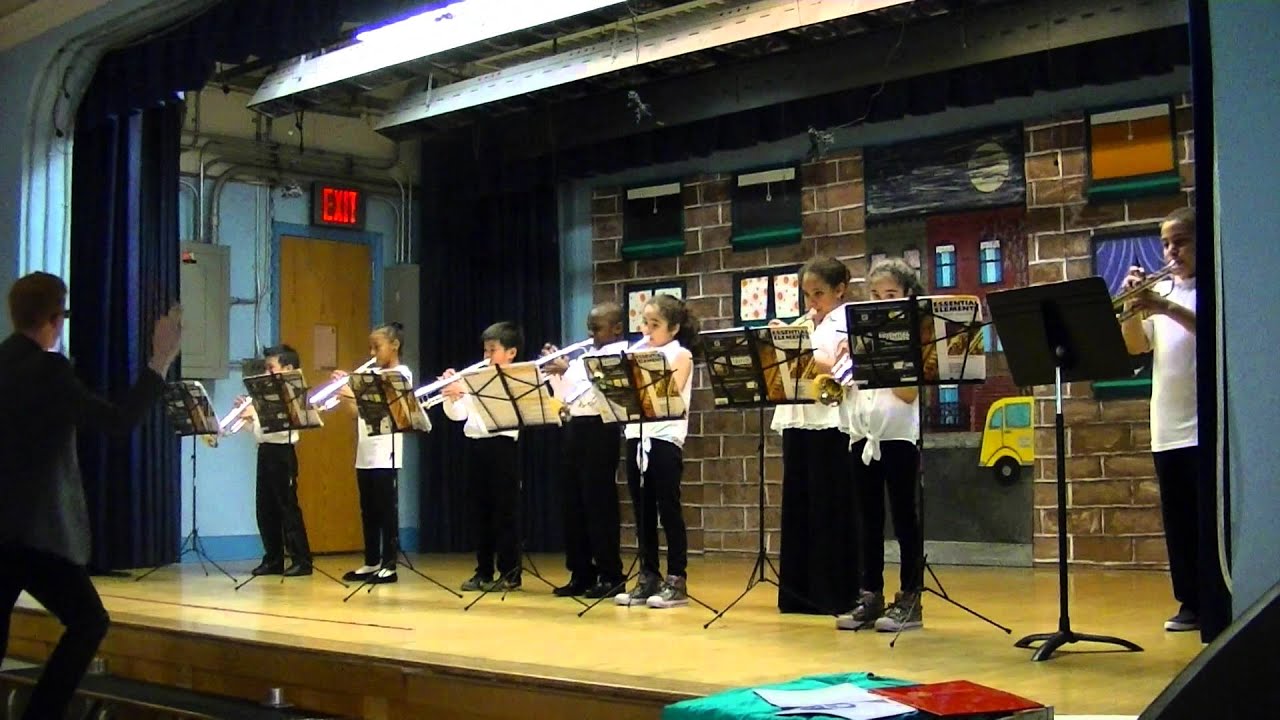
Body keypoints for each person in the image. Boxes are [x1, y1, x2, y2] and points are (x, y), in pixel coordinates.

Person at [0, 272, 182, 720]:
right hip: (33, 533)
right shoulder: (50, 371)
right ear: (54, 318)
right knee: (88, 622)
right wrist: (160, 361)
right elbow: (118, 422)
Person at [1120, 206, 1224, 637]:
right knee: (1177, 521)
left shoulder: (1209, 290)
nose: (1171, 250)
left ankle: (1216, 598)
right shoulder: (1160, 290)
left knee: (1207, 520)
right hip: (1166, 424)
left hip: (1204, 426)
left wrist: (1161, 305)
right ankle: (1189, 603)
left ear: (1199, 242)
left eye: (1179, 241)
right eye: (1165, 243)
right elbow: (1134, 349)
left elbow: (1213, 331)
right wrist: (1131, 309)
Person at [837, 257, 926, 633]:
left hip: (898, 438)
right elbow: (841, 391)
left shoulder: (913, 336)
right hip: (862, 436)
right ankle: (870, 593)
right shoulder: (858, 333)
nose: (881, 300)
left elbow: (907, 394)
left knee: (905, 518)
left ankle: (910, 598)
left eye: (890, 294)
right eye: (875, 294)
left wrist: (877, 356)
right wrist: (848, 362)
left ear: (907, 296)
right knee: (867, 520)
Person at [770, 257, 859, 615]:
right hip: (798, 416)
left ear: (840, 290)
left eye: (819, 294)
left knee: (831, 505)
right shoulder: (805, 322)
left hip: (831, 420)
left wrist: (796, 347)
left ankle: (834, 593)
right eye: (807, 294)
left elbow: (841, 366)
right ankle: (798, 593)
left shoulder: (849, 319)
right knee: (800, 504)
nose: (812, 302)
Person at [613, 294, 698, 609]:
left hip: (664, 440)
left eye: (655, 325)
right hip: (637, 436)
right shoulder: (638, 352)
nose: (647, 332)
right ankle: (648, 575)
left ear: (673, 328)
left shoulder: (680, 354)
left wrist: (639, 366)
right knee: (642, 510)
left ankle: (677, 578)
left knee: (668, 509)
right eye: (644, 324)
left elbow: (668, 394)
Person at [542, 303, 628, 599]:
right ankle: (580, 572)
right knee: (572, 504)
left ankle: (610, 574)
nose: (591, 334)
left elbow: (602, 389)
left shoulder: (621, 353)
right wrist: (557, 372)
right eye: (589, 328)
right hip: (574, 427)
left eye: (597, 328)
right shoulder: (583, 358)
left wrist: (570, 370)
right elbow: (565, 396)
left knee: (598, 504)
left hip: (601, 430)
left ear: (617, 328)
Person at [442, 322, 524, 592]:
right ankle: (483, 570)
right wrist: (451, 396)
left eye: (493, 350)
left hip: (502, 446)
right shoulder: (473, 377)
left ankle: (510, 572)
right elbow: (458, 416)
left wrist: (471, 392)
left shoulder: (517, 378)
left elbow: (508, 414)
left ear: (511, 353)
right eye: (485, 350)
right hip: (476, 445)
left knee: (505, 513)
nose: (487, 356)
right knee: (481, 513)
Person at [332, 322, 412, 585]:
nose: (372, 353)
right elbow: (356, 413)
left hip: (386, 453)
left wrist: (354, 393)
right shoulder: (368, 377)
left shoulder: (401, 374)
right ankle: (371, 561)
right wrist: (344, 394)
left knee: (386, 509)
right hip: (365, 452)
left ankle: (389, 564)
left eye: (377, 347)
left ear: (394, 345)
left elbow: (387, 409)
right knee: (368, 510)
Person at [237, 345, 313, 577]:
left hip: (283, 453)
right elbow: (262, 433)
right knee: (265, 508)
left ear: (288, 369)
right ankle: (273, 558)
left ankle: (302, 560)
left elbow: (280, 430)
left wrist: (255, 416)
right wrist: (248, 419)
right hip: (266, 451)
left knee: (287, 508)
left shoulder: (291, 393)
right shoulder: (267, 394)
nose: (266, 373)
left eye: (271, 368)